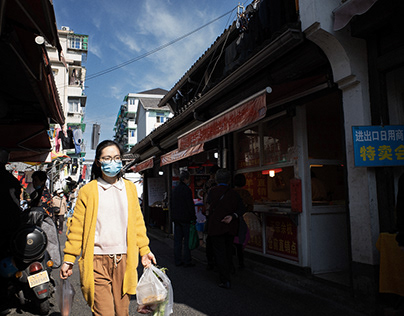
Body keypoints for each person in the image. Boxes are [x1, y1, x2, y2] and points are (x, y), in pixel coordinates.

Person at [60, 140, 156, 316]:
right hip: (96, 261)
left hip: (125, 260)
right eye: (107, 158)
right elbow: (77, 228)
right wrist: (69, 258)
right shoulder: (88, 191)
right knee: (104, 312)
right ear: (98, 162)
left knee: (122, 312)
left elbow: (137, 222)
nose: (113, 162)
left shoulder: (129, 188)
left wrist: (144, 250)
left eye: (117, 158)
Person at [206, 169, 243, 289]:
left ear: (216, 180)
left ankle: (224, 279)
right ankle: (229, 271)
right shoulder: (234, 193)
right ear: (228, 180)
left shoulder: (212, 192)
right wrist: (232, 216)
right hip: (230, 226)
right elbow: (241, 209)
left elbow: (208, 207)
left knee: (219, 252)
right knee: (228, 250)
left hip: (216, 227)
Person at [171, 170, 196, 267]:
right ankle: (187, 260)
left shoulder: (175, 189)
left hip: (177, 219)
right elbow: (190, 205)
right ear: (186, 179)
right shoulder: (187, 190)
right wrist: (193, 218)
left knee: (177, 241)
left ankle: (177, 260)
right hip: (186, 219)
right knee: (186, 241)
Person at [202, 165, 220, 270]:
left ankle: (210, 261)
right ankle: (218, 261)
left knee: (210, 239)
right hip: (220, 215)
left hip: (210, 215)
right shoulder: (218, 185)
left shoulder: (207, 185)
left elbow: (205, 201)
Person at [233, 173, 254, 269]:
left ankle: (232, 262)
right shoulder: (246, 193)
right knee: (241, 240)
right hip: (242, 219)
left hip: (232, 219)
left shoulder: (231, 192)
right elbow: (250, 207)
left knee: (233, 240)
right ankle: (241, 262)